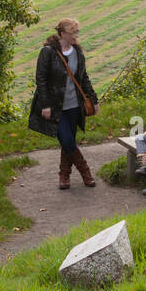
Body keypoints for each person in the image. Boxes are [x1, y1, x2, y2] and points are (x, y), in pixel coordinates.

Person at [28, 19, 99, 189]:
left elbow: (83, 78)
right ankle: (85, 172)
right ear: (62, 34)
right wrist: (45, 105)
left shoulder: (77, 52)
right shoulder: (48, 52)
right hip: (55, 106)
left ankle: (64, 176)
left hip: (74, 105)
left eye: (77, 32)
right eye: (73, 32)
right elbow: (41, 80)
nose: (76, 36)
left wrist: (93, 99)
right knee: (67, 140)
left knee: (69, 142)